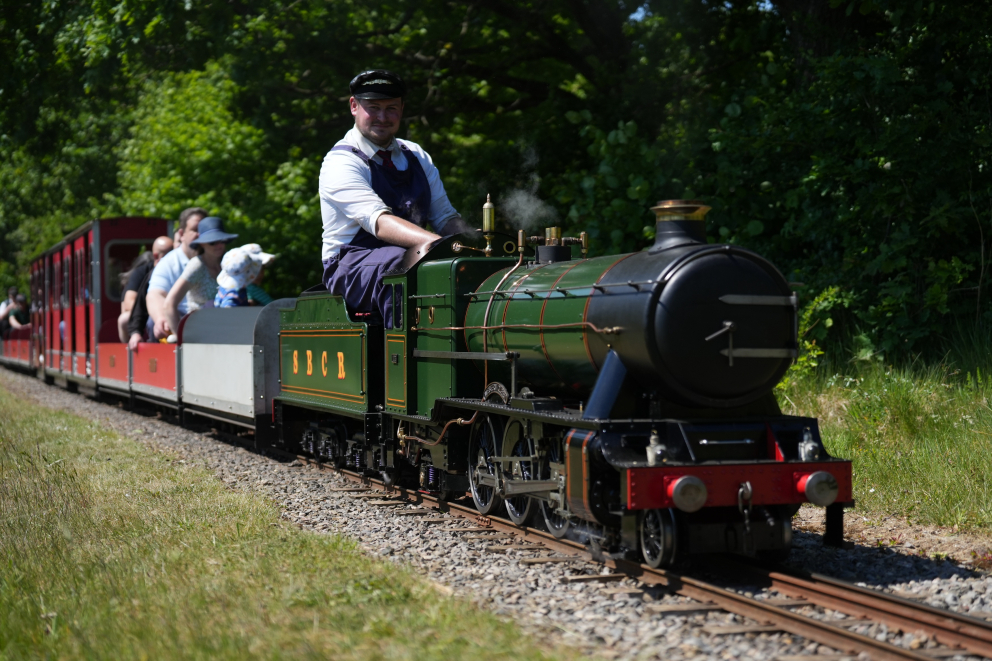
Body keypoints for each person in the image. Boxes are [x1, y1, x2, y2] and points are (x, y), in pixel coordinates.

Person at [318, 69, 472, 327]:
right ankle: (408, 361)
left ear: (402, 108)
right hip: (348, 266)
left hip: (416, 253)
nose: (382, 117)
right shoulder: (341, 161)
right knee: (400, 264)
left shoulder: (416, 155)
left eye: (391, 108)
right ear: (354, 106)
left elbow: (445, 216)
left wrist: (474, 245)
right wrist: (439, 246)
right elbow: (380, 222)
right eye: (373, 107)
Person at [161, 217, 237, 335]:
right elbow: (169, 303)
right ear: (202, 244)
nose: (218, 245)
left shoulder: (229, 264)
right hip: (199, 332)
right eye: (212, 242)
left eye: (221, 240)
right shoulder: (197, 265)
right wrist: (180, 338)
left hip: (225, 329)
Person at [146, 207, 207, 340]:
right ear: (182, 234)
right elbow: (155, 294)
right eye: (195, 230)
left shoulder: (218, 260)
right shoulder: (168, 262)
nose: (200, 235)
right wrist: (161, 317)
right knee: (154, 323)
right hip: (179, 319)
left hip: (210, 318)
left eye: (204, 230)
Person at [117, 236, 173, 342]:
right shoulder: (142, 272)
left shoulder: (176, 268)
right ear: (156, 256)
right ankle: (130, 354)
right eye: (168, 255)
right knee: (124, 319)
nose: (172, 258)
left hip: (167, 311)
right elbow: (129, 303)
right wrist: (154, 309)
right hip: (145, 312)